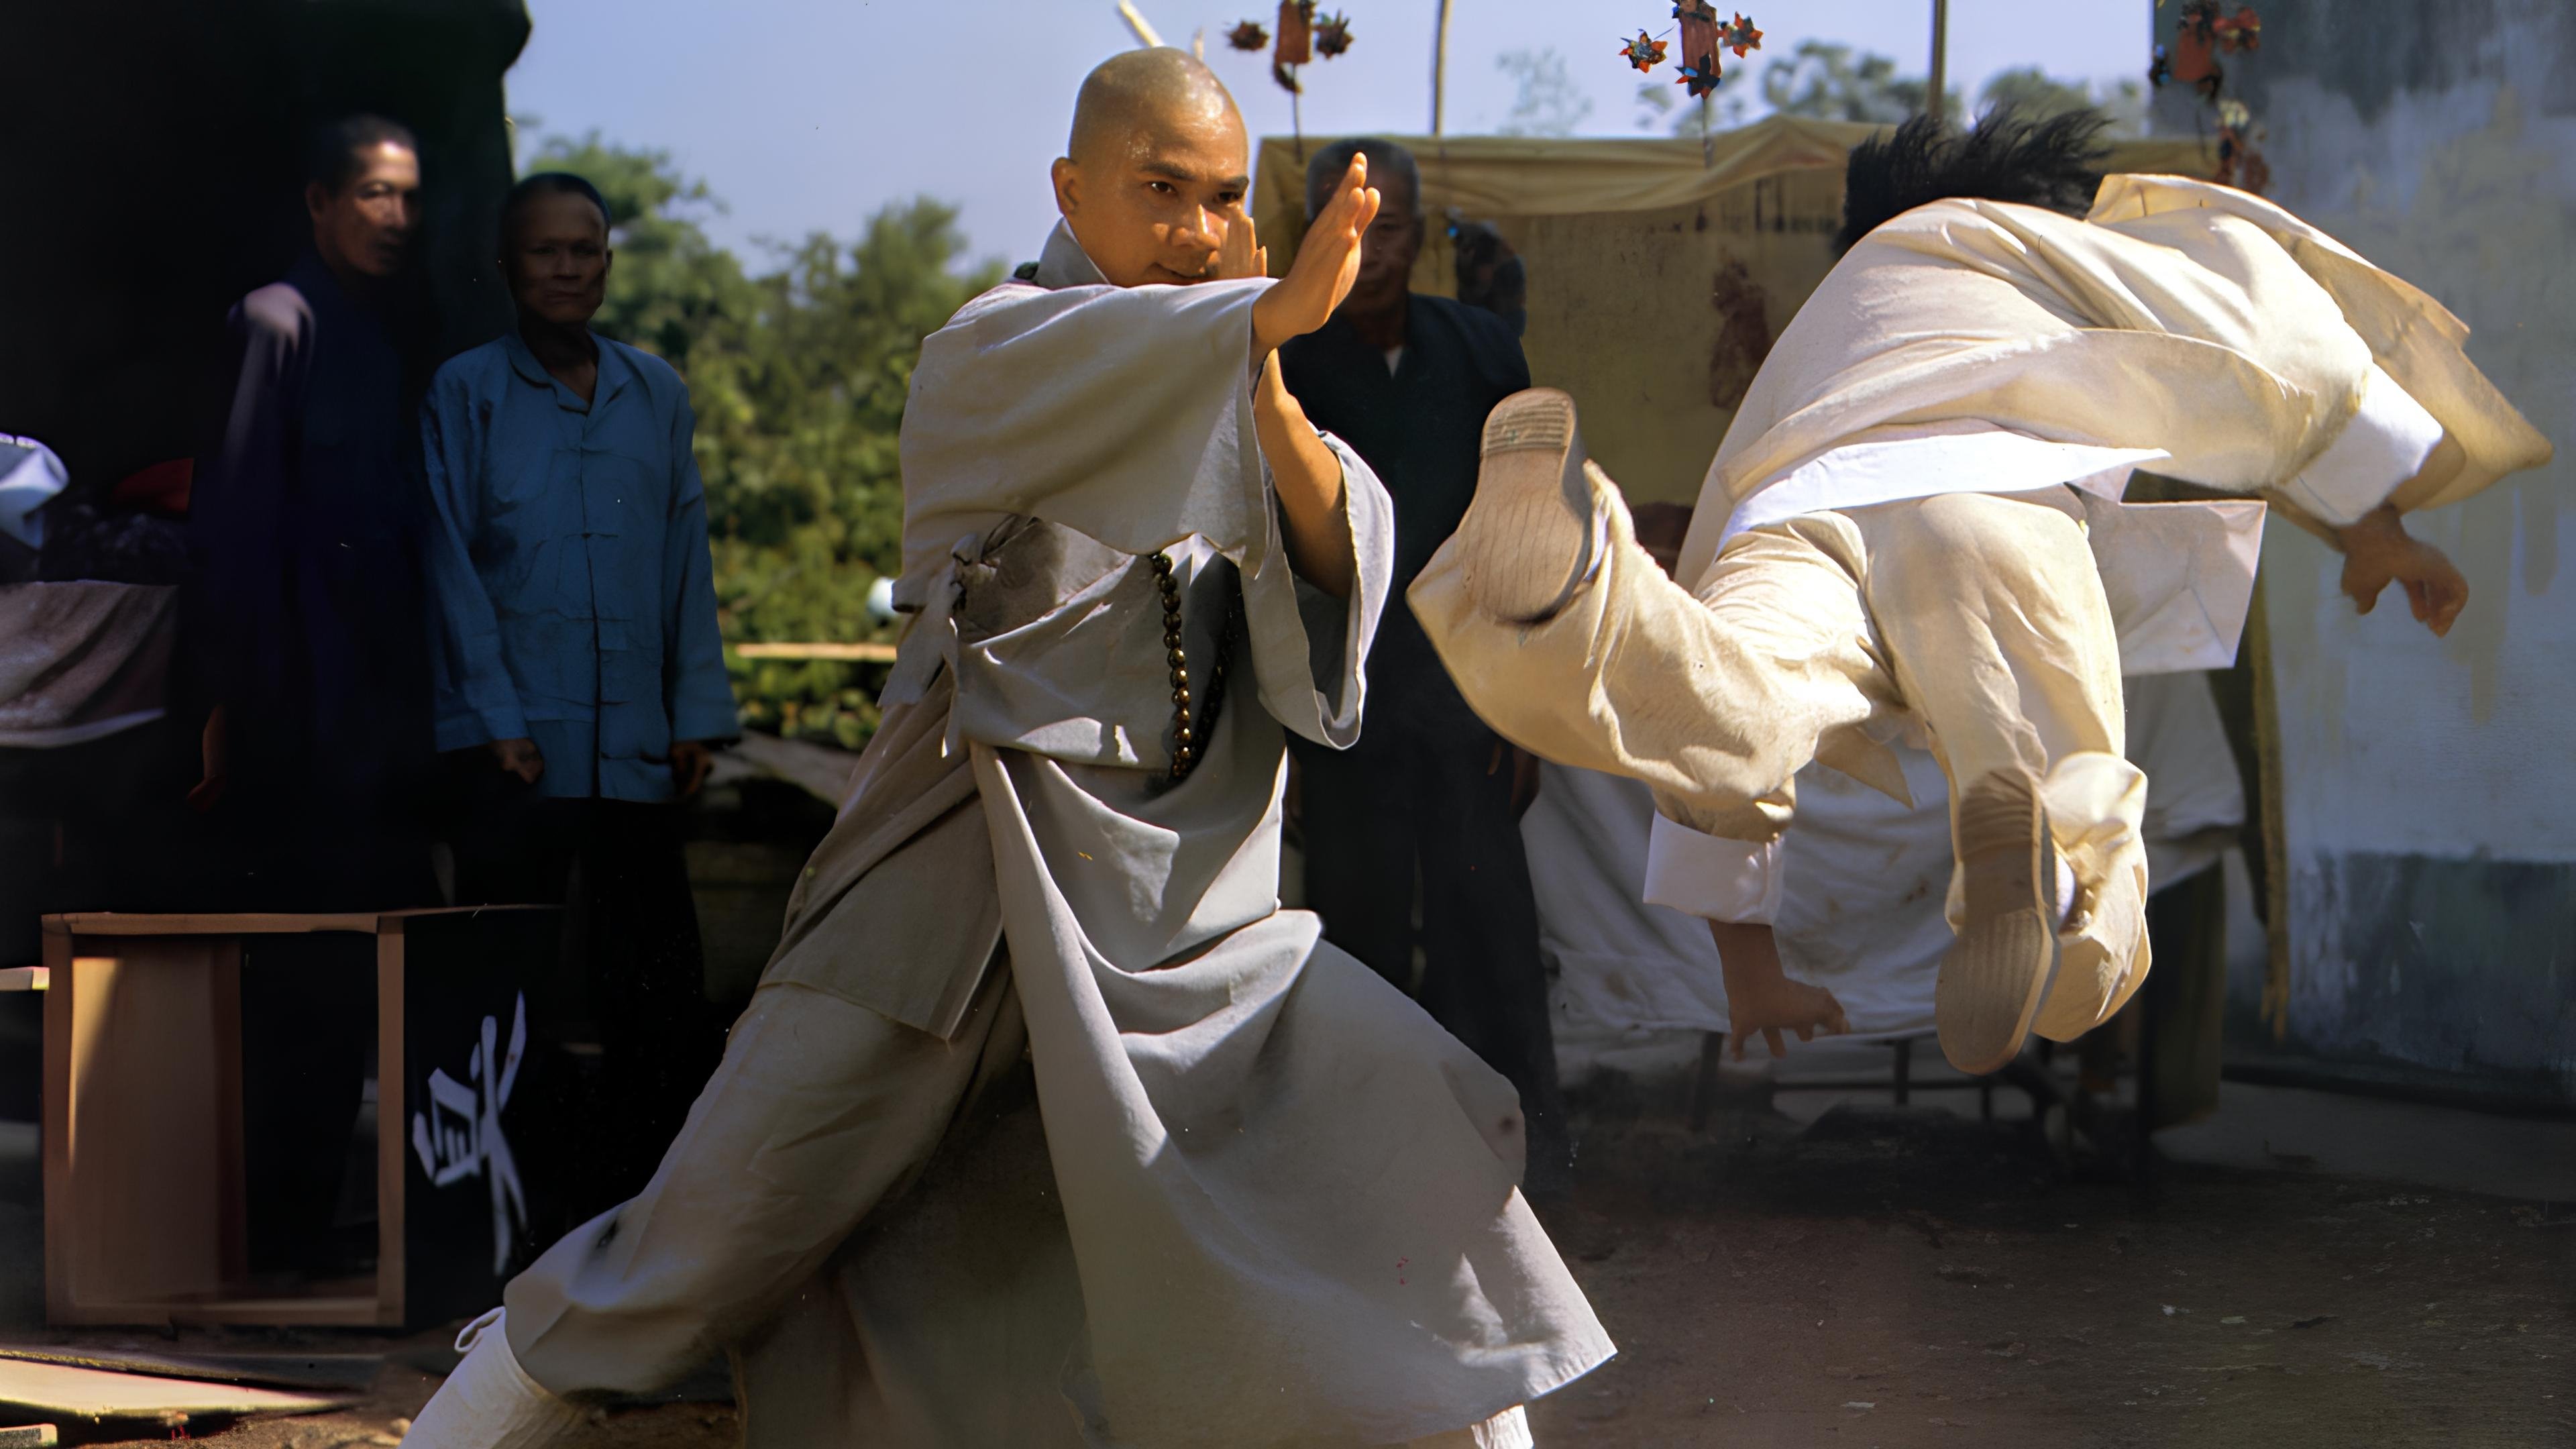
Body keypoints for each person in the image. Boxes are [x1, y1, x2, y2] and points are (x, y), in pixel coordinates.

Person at [402, 48, 1608, 1449]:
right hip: (949, 886)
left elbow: (1338, 551)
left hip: (1174, 919)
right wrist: (1255, 323)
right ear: (1071, 190)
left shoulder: (1233, 362)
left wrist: (1263, 363)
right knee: (715, 1227)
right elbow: (1110, 379)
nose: (1197, 231)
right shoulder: (998, 344)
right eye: (1160, 193)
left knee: (1377, 1150)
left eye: (1224, 200)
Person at [1412, 108, 2551, 1078]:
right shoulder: (2034, 244)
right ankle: (2044, 879)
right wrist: (2379, 519)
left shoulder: (1838, 303)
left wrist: (1750, 977)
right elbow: (2261, 335)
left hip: (1795, 505)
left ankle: (1589, 590)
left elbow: (1710, 723)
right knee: (2074, 804)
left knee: (1736, 694)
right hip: (1985, 492)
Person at [419, 172, 737, 1217]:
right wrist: (494, 720)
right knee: (503, 993)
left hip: (638, 751)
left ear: (607, 262)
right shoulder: (466, 392)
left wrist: (693, 714)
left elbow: (684, 557)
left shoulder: (657, 395)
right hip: (520, 753)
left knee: (653, 992)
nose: (567, 268)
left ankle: (643, 1224)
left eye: (586, 249)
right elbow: (449, 565)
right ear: (508, 266)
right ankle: (495, 1224)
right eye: (545, 251)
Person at [1275, 137, 1565, 1185]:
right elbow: (1267, 560)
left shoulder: (1483, 350)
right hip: (1343, 709)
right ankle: (1362, 1173)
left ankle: (1526, 1169)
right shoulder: (1285, 362)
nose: (1376, 251)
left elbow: (1523, 531)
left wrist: (1524, 706)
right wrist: (1289, 739)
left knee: (1488, 929)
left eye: (1392, 227)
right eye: (1352, 229)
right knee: (1355, 938)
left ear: (1418, 234)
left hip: (1472, 703)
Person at [185, 113, 441, 1276]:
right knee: (290, 978)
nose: (396, 218)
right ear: (321, 205)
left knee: (361, 977)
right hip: (293, 716)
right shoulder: (273, 322)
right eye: (374, 196)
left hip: (378, 723)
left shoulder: (379, 344)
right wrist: (224, 704)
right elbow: (231, 530)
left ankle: (317, 1224)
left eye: (409, 198)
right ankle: (267, 1238)